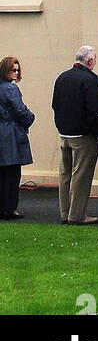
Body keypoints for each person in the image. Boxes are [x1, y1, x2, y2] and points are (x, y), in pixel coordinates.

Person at [51, 45, 98, 225]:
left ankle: (65, 212)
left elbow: (54, 104)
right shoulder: (89, 81)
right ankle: (77, 215)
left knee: (65, 174)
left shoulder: (62, 77)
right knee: (81, 175)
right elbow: (93, 110)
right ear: (89, 60)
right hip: (83, 135)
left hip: (64, 133)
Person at [0, 56, 34, 219]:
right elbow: (20, 110)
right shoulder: (11, 89)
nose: (16, 72)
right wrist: (30, 117)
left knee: (2, 172)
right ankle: (10, 208)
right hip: (11, 133)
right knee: (13, 173)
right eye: (13, 69)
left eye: (17, 69)